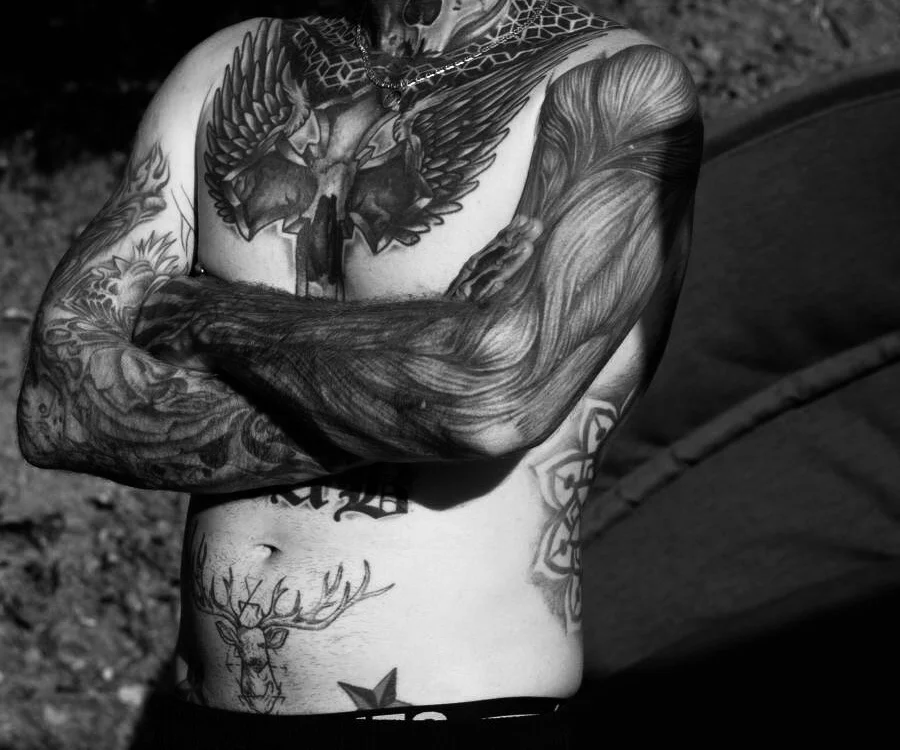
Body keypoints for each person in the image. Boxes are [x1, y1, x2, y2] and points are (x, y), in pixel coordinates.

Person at [17, 0, 702, 746]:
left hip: (451, 709)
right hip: (202, 716)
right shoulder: (221, 68)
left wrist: (211, 315)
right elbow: (62, 406)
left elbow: (489, 399)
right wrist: (406, 390)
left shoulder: (616, 86)